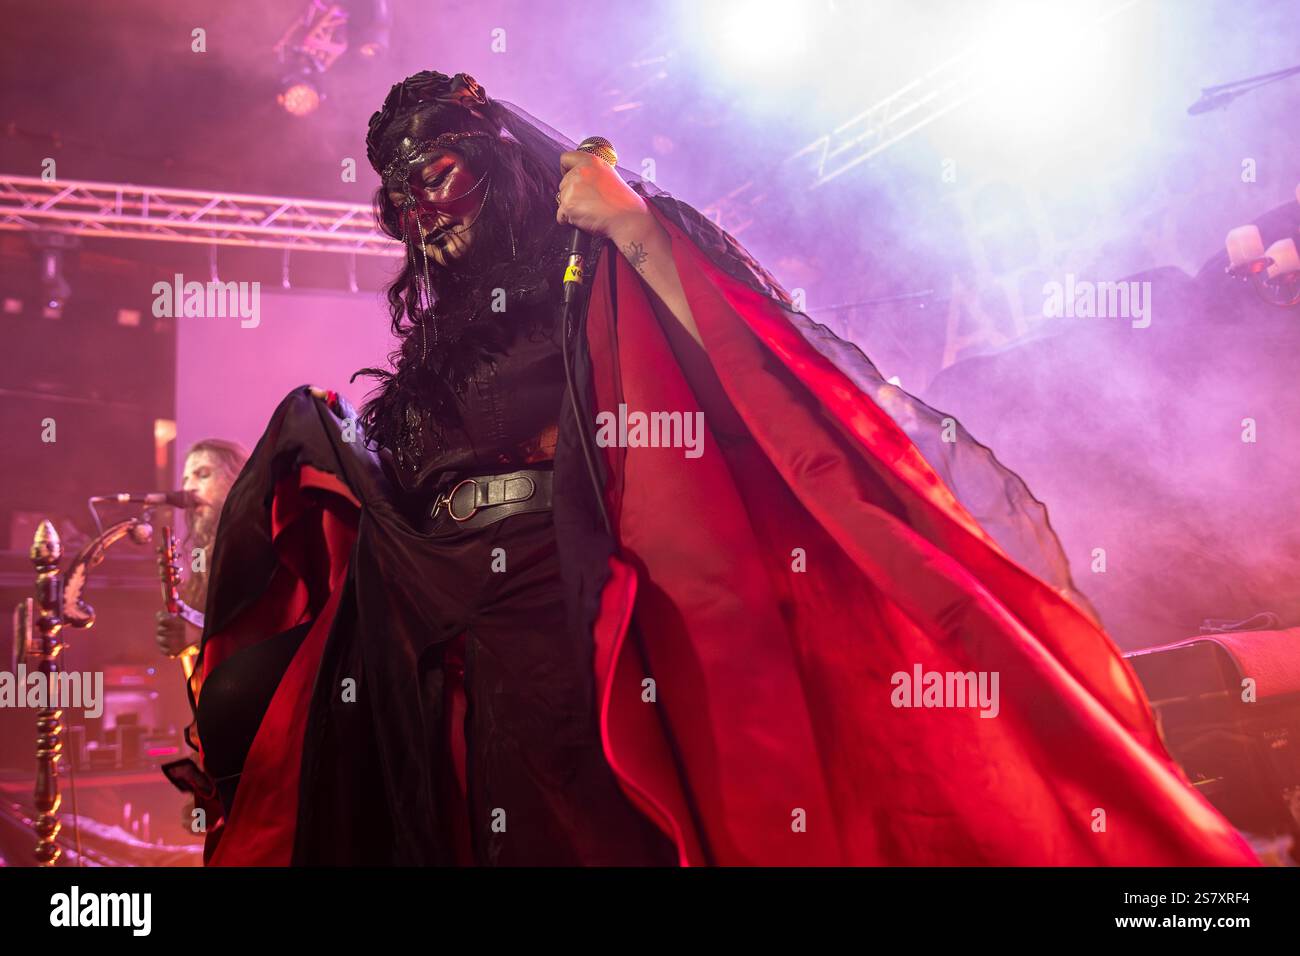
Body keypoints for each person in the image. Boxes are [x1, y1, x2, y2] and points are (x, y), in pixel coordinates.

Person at [188, 70, 1257, 866]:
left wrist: (635, 225)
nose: (418, 209)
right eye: (398, 196)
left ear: (494, 160)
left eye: (434, 175)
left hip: (553, 611)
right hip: (432, 622)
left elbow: (740, 356)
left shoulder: (584, 257)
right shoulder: (435, 335)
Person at [154, 439, 250, 659]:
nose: (188, 488)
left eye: (203, 474)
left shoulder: (259, 541)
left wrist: (198, 634)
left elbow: (274, 624)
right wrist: (173, 596)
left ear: (238, 480)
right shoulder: (203, 553)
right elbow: (205, 618)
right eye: (186, 479)